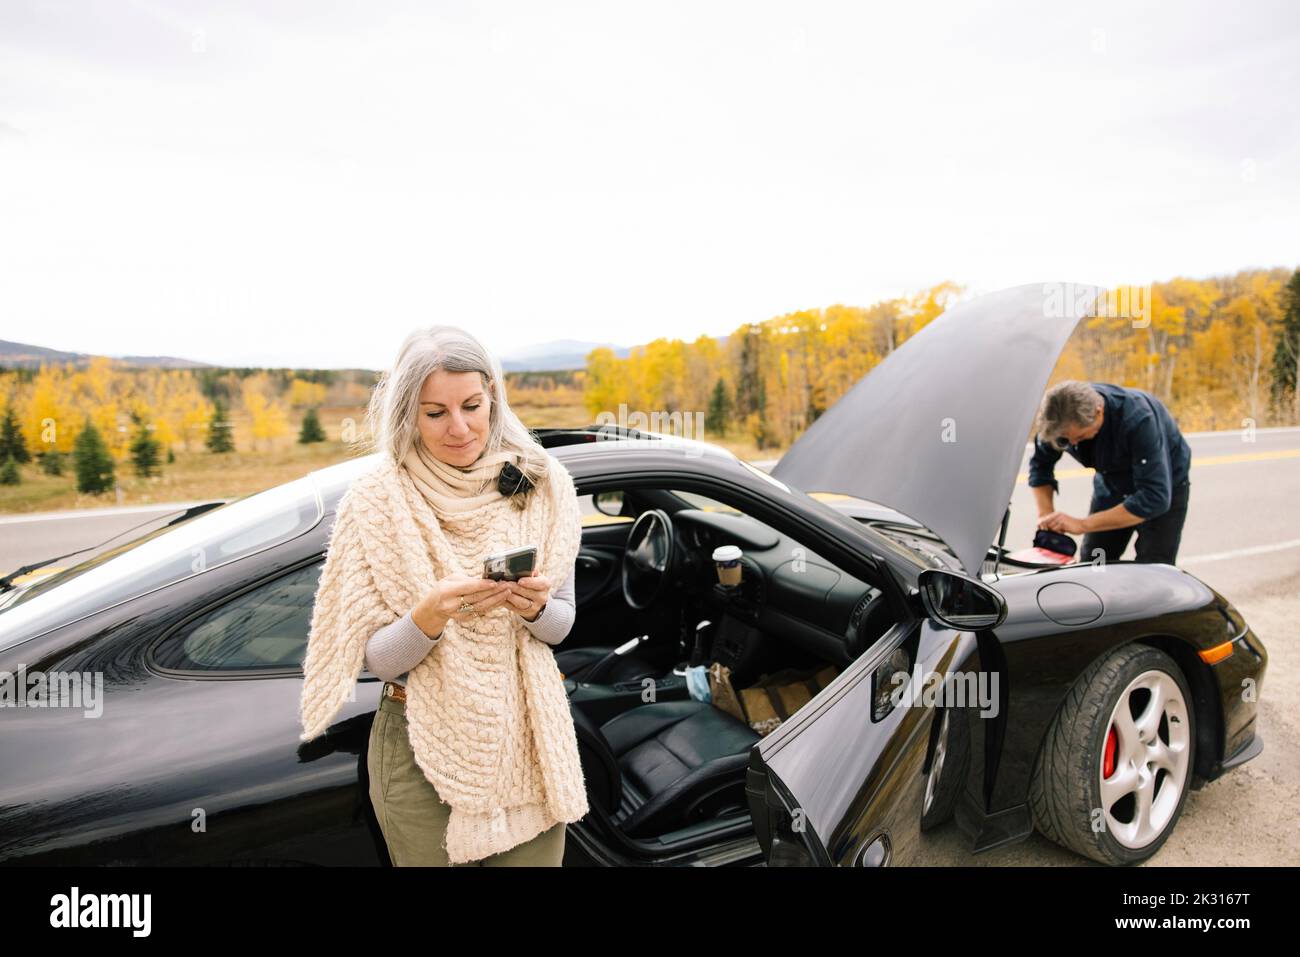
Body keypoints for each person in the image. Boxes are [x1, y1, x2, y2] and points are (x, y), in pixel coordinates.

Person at [298, 325, 587, 866]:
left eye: (473, 406)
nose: (460, 428)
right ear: (408, 412)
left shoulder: (542, 485)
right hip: (418, 751)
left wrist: (536, 610)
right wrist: (426, 619)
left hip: (526, 740)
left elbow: (562, 624)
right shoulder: (379, 502)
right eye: (435, 413)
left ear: (493, 396)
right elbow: (380, 660)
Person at [1029, 380, 1192, 565]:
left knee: (1154, 568)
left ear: (1099, 412)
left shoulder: (1138, 418)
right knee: (1095, 562)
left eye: (1080, 437)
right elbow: (1040, 467)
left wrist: (1082, 524)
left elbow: (1154, 498)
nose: (1073, 444)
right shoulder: (1058, 420)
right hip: (1111, 485)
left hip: (1162, 487)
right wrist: (1046, 517)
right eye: (1065, 441)